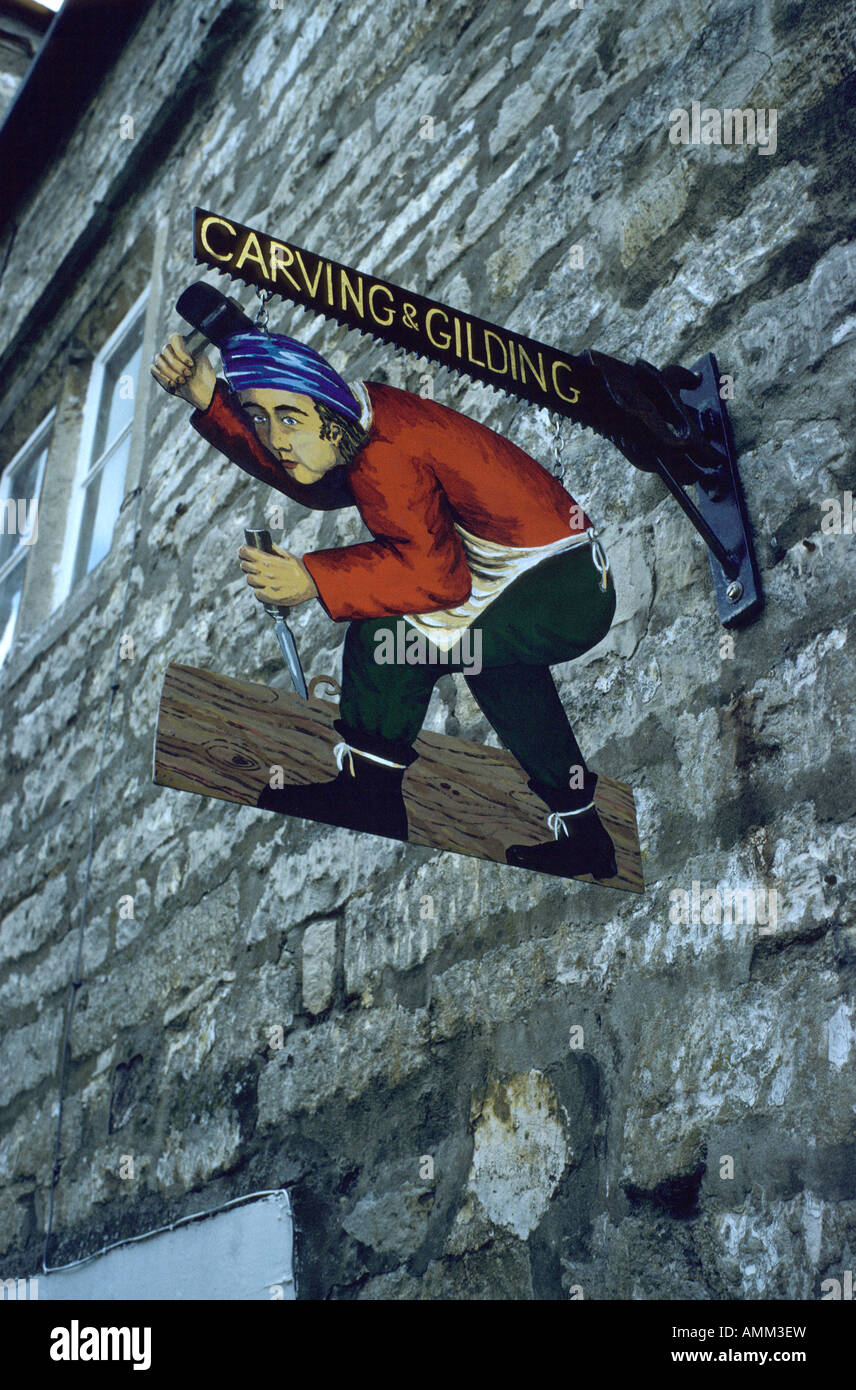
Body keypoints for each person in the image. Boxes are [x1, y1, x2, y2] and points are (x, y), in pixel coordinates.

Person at [151, 327, 620, 879]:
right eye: (260, 418)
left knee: (388, 637)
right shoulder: (364, 424)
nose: (276, 438)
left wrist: (310, 578)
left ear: (328, 412)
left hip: (555, 586)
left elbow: (434, 578)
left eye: (290, 418)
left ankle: (368, 792)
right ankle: (584, 829)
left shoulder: (384, 451)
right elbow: (317, 481)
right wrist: (211, 397)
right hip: (548, 580)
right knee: (494, 666)